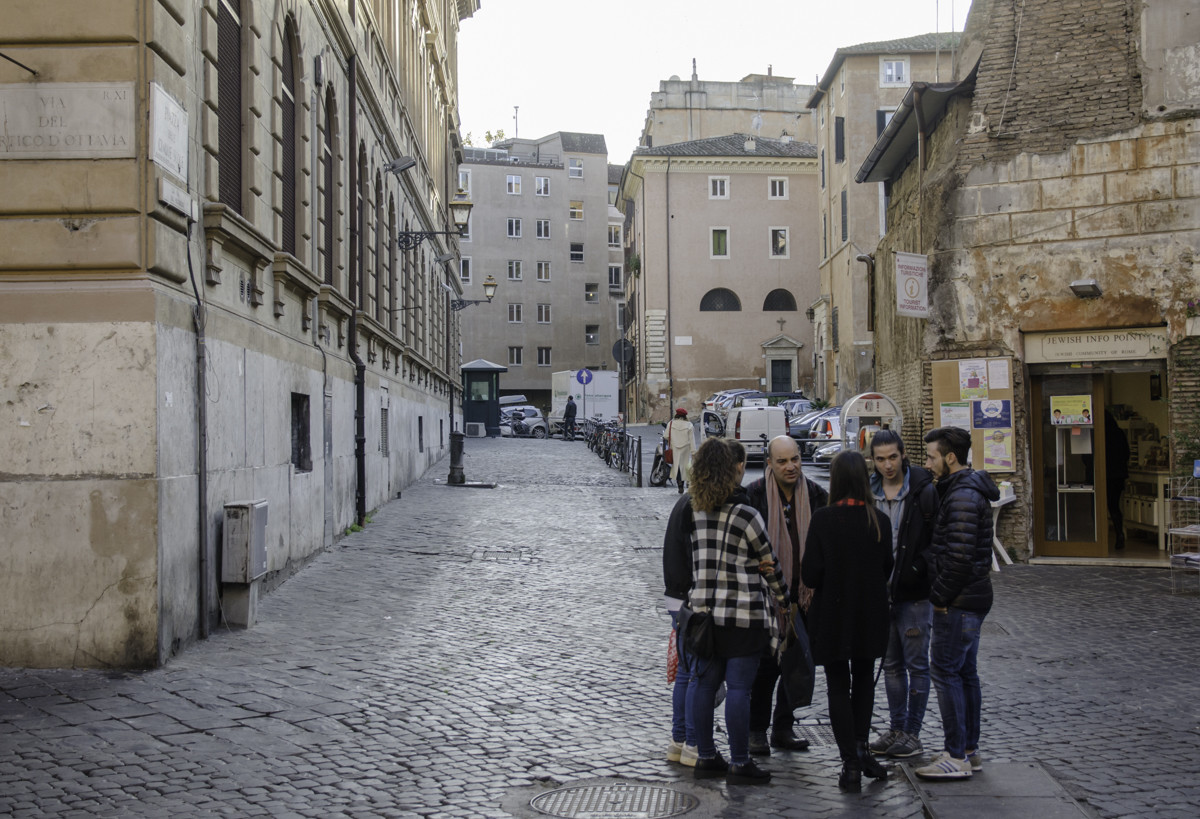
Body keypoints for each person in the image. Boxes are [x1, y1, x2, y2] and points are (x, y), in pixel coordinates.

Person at [686, 439, 787, 785]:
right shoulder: (747, 515)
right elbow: (768, 564)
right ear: (732, 472)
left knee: (704, 684)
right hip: (743, 613)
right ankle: (740, 762)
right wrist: (784, 600)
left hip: (703, 612)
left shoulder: (694, 512)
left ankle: (706, 755)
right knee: (740, 688)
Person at [801, 451, 893, 792]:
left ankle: (850, 762)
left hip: (834, 614)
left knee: (839, 683)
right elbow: (887, 567)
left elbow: (810, 572)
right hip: (869, 612)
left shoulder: (824, 519)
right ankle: (860, 747)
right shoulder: (878, 520)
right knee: (865, 679)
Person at [915, 426, 1000, 781]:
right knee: (965, 673)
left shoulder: (963, 496)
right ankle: (968, 750)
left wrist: (939, 597)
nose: (929, 463)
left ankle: (955, 755)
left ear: (951, 457)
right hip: (969, 598)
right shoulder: (961, 489)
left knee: (946, 671)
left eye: (933, 456)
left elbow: (961, 557)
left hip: (960, 600)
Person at [745, 435, 828, 756]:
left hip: (804, 597)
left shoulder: (817, 495)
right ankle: (756, 730)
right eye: (782, 461)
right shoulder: (754, 497)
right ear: (770, 464)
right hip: (766, 598)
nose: (791, 466)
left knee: (796, 665)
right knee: (765, 670)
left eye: (794, 459)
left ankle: (783, 726)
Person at [866, 430, 940, 760]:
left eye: (892, 457)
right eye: (880, 459)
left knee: (917, 666)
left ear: (903, 454)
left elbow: (937, 544)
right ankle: (896, 728)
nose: (887, 465)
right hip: (882, 597)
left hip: (914, 595)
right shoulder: (870, 492)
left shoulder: (923, 492)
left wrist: (915, 571)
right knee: (891, 665)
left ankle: (912, 732)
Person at [1106, 410, 1130, 550]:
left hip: (1104, 474)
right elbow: (1126, 453)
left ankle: (1098, 538)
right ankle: (1119, 533)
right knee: (1114, 506)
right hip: (1118, 475)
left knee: (1099, 506)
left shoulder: (1100, 433)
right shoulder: (1119, 433)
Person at [667, 408, 695, 494]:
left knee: (677, 466)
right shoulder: (689, 425)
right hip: (685, 448)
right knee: (684, 467)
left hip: (674, 447)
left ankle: (680, 485)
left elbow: (666, 435)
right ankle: (684, 482)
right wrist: (693, 451)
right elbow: (692, 439)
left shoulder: (671, 423)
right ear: (685, 416)